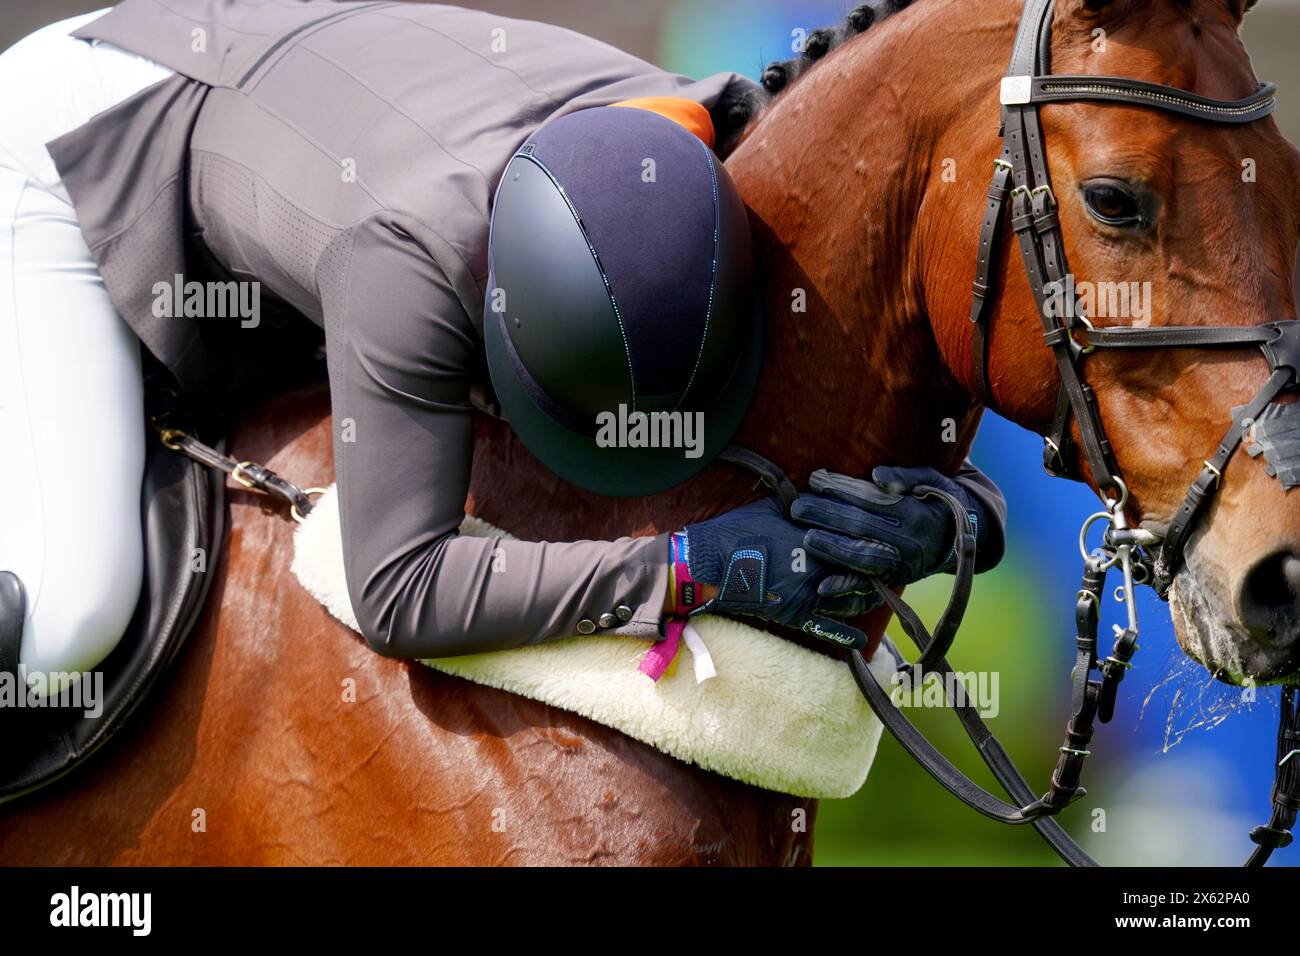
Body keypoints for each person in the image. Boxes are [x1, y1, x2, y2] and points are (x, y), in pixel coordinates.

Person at [0, 1, 1007, 692]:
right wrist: (693, 568)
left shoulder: (706, 137)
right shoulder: (404, 263)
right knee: (71, 623)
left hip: (292, 73)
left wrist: (961, 515)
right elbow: (397, 590)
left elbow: (834, 375)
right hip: (69, 134)